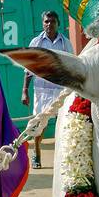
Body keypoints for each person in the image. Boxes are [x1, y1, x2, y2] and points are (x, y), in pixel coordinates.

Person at [19, 10, 71, 168]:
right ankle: (37, 154)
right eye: (46, 21)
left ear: (58, 24)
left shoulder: (65, 43)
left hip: (61, 91)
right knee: (39, 124)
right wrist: (24, 91)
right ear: (43, 23)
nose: (49, 24)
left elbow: (70, 65)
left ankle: (64, 156)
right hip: (42, 91)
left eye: (52, 21)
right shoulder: (36, 42)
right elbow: (29, 69)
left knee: (63, 123)